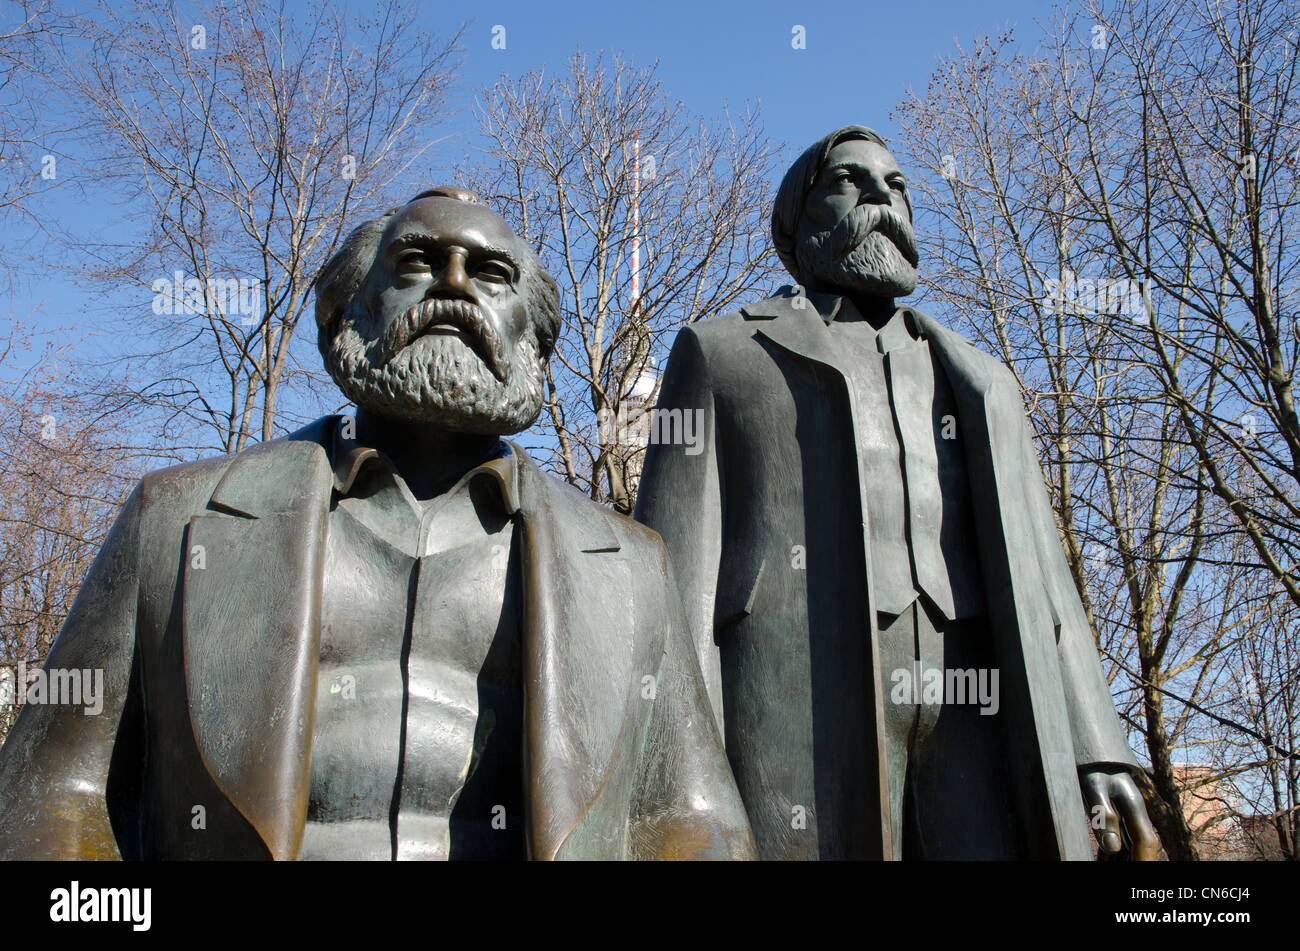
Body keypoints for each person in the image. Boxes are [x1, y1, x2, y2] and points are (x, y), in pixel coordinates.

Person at [0, 186, 755, 861]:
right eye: (417, 262)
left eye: (491, 274)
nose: (454, 286)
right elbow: (49, 794)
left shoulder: (627, 566)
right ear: (347, 310)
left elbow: (689, 818)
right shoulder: (174, 521)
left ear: (536, 336)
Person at [634, 127, 1160, 860]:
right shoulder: (720, 353)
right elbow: (669, 578)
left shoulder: (980, 379)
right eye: (851, 181)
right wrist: (666, 773)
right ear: (797, 219)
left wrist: (1095, 744)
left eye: (897, 183)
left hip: (978, 689)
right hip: (801, 694)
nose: (882, 196)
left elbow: (1046, 576)